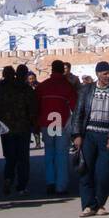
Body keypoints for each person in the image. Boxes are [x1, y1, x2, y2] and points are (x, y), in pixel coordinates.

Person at [70, 60, 109, 217]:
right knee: (85, 170)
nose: (108, 76)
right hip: (88, 135)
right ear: (98, 74)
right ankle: (88, 205)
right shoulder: (86, 91)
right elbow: (78, 113)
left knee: (104, 172)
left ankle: (100, 203)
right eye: (105, 73)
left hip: (106, 136)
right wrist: (77, 135)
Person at [36, 60, 79, 196]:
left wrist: (36, 123)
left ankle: (50, 182)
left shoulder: (43, 86)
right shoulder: (67, 86)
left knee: (49, 152)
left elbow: (36, 106)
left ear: (52, 69)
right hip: (62, 123)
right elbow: (75, 107)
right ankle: (61, 186)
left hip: (47, 123)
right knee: (61, 154)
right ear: (62, 70)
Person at [0, 65, 39, 196]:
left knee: (10, 158)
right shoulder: (26, 89)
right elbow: (32, 109)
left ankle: (8, 179)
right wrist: (33, 123)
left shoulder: (2, 90)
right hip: (23, 128)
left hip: (7, 129)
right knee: (23, 159)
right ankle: (21, 186)